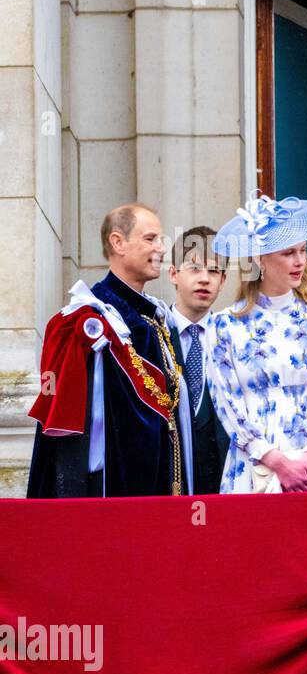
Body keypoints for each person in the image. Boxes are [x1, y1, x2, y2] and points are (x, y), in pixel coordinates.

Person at [28, 203, 184, 497]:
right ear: (118, 242)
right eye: (150, 239)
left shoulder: (153, 319)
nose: (162, 248)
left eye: (161, 239)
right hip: (110, 491)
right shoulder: (88, 321)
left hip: (159, 484)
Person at [209, 193, 307, 493]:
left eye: (302, 251)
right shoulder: (224, 325)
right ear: (261, 259)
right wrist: (276, 461)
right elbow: (226, 402)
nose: (299, 261)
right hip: (253, 468)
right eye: (288, 253)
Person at [168, 225, 231, 494]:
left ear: (223, 280)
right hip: (167, 488)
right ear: (173, 274)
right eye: (194, 268)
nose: (204, 279)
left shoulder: (233, 338)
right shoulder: (151, 336)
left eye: (213, 271)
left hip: (222, 486)